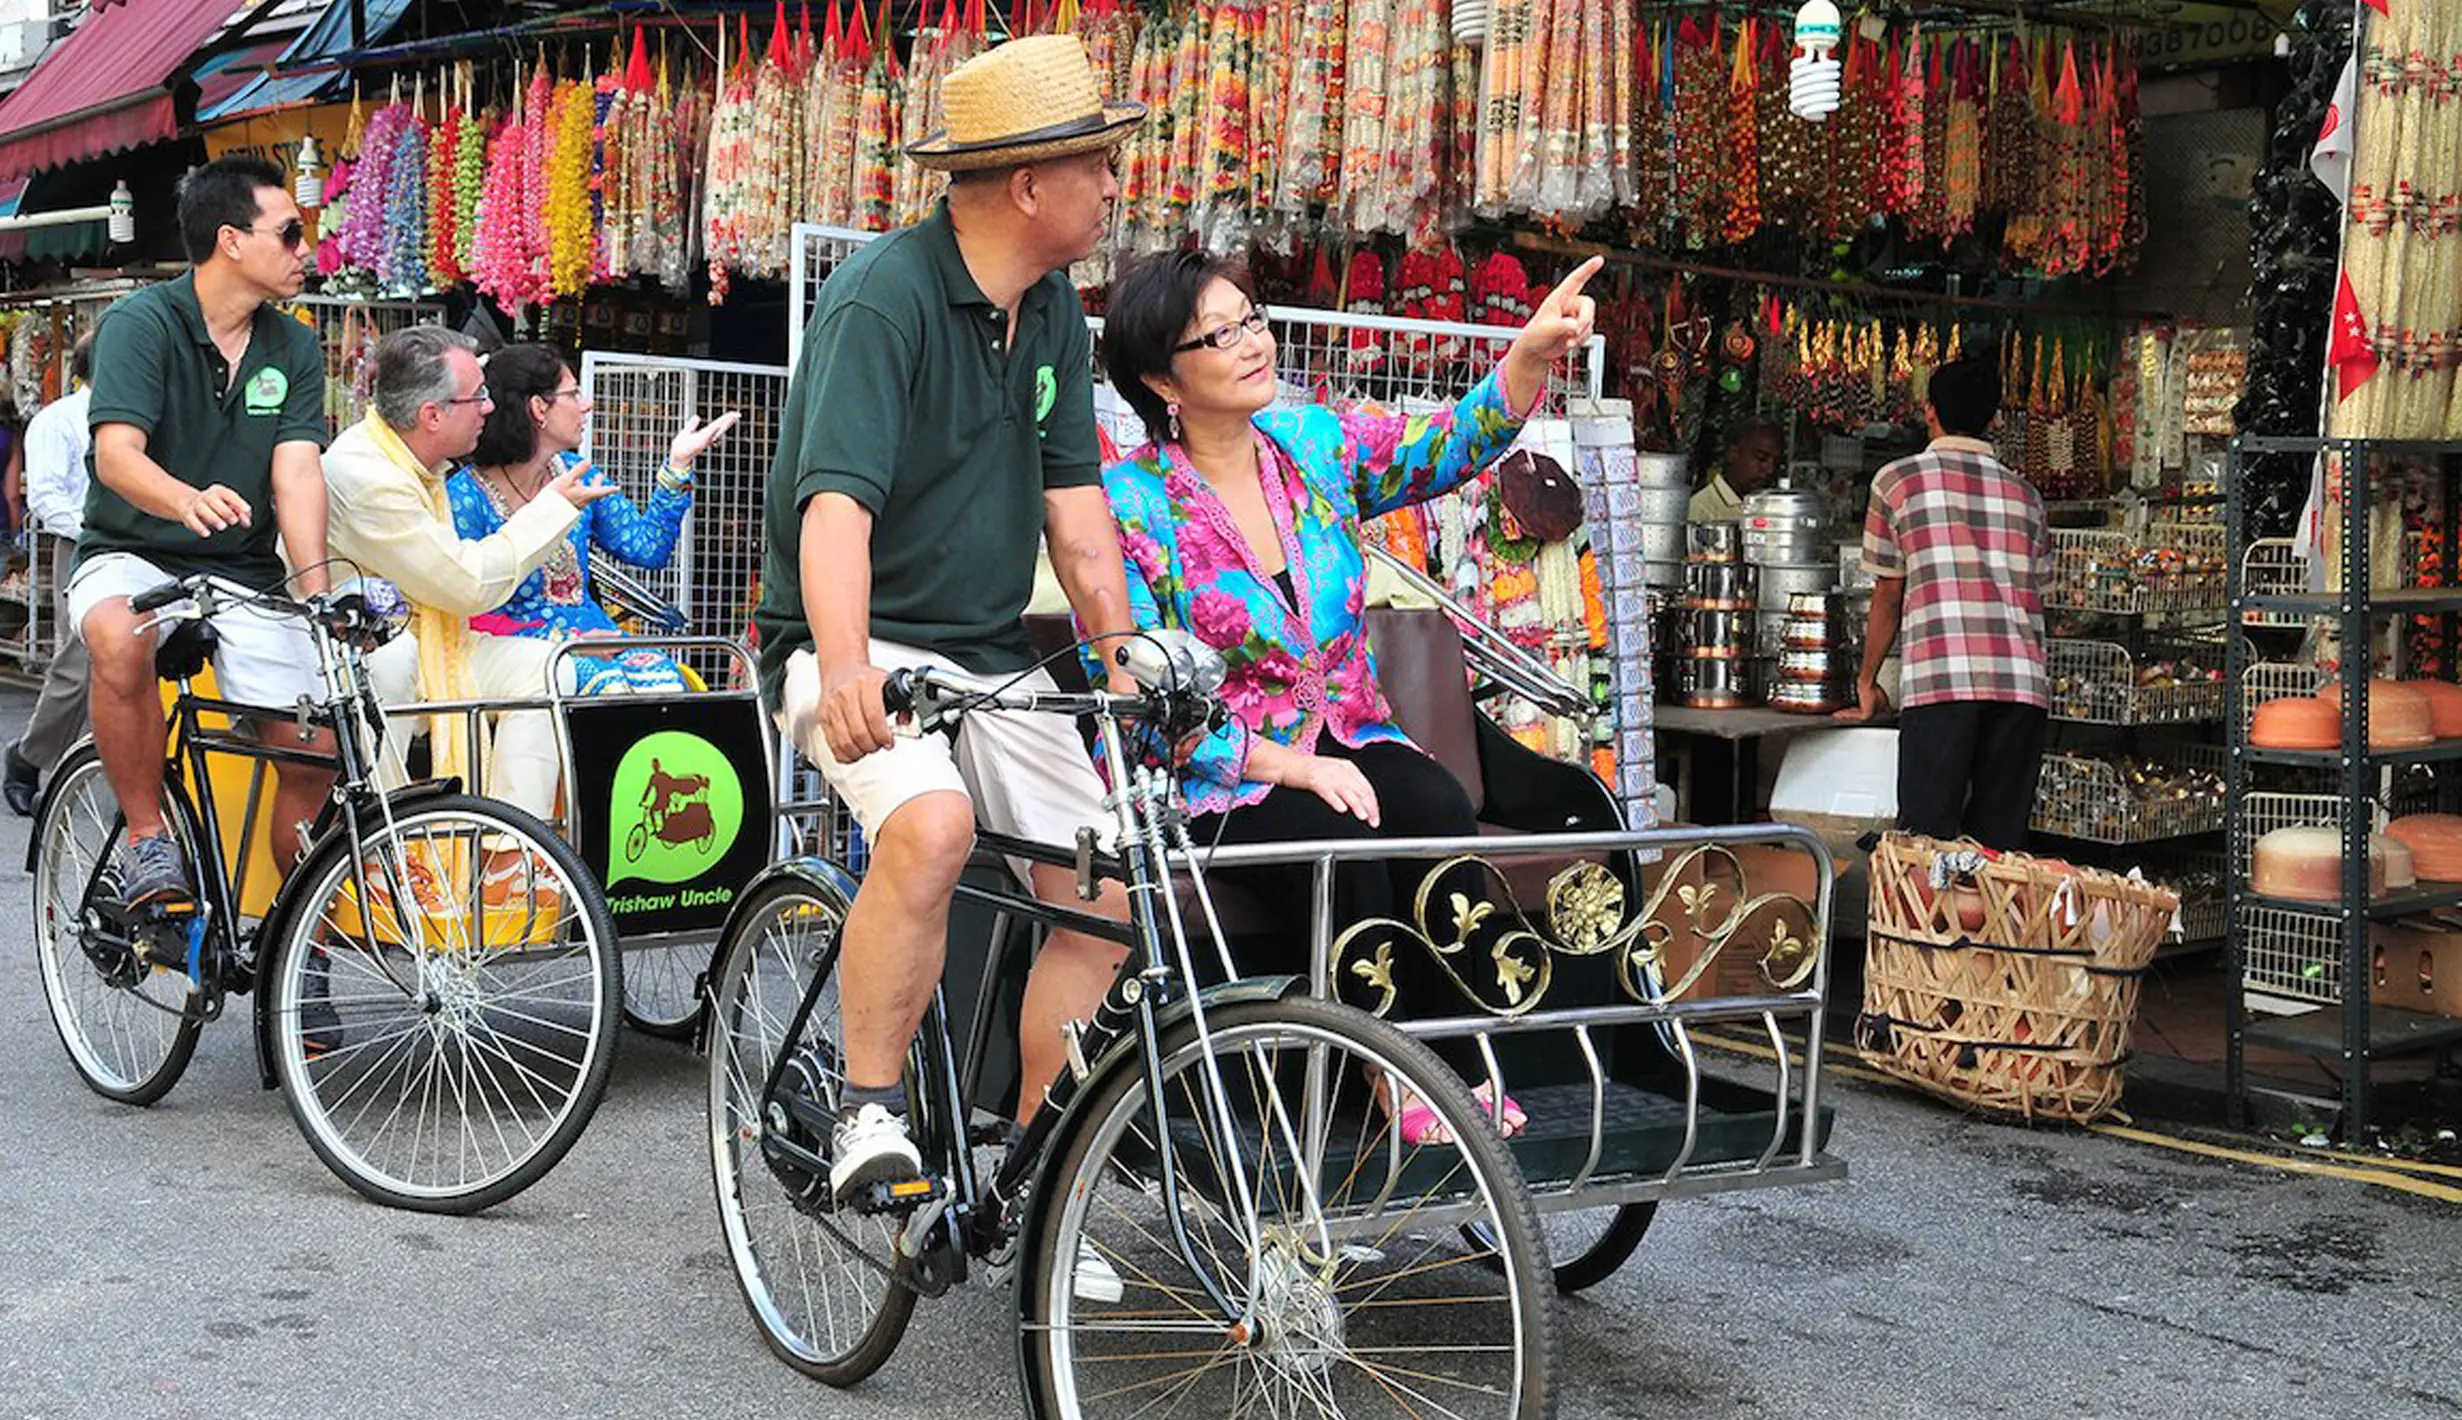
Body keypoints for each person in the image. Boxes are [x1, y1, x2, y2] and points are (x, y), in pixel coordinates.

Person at [752, 34, 1145, 1203]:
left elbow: (1077, 514)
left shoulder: (1056, 312)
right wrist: (840, 667)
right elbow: (834, 510)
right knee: (928, 829)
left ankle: (1039, 1177)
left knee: (1108, 891)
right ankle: (869, 1110)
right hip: (849, 637)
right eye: (1099, 165)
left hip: (983, 652)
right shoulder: (884, 298)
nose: (1115, 186)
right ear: (1029, 184)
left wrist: (1121, 660)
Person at [1095, 247, 1600, 1142]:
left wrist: (1528, 355)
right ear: (1158, 377)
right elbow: (1144, 698)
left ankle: (1468, 1053)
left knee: (1437, 805)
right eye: (1219, 335)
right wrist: (1283, 765)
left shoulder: (1315, 446)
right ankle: (1387, 1067)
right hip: (1218, 769)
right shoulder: (1132, 504)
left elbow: (1442, 448)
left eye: (1251, 319)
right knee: (1338, 836)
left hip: (1350, 731)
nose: (1252, 343)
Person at [69, 155, 335, 913]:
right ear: (230, 241)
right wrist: (185, 500)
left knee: (315, 749)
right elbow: (116, 456)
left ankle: (299, 950)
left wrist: (318, 598)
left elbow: (297, 476)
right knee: (122, 638)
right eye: (288, 233)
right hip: (130, 551)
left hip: (239, 571)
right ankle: (147, 835)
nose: (304, 248)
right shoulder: (140, 323)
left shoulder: (294, 345)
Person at [323, 326, 613, 873]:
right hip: (365, 653)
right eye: (477, 395)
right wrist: (551, 509)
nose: (488, 407)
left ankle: (511, 858)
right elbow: (465, 586)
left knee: (544, 669)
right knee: (393, 662)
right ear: (433, 416)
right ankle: (384, 858)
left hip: (436, 636)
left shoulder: (422, 461)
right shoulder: (368, 475)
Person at [1837, 355, 2048, 851]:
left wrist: (1866, 682)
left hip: (1942, 683)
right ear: (1996, 418)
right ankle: (1989, 930)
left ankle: (1927, 930)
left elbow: (1889, 594)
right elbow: (2040, 592)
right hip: (2021, 687)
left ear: (1929, 411)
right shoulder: (2027, 496)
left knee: (1925, 845)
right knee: (1998, 851)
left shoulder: (1896, 482)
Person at [447, 343, 739, 694]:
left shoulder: (576, 474)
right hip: (519, 652)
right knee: (604, 687)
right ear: (539, 408)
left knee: (666, 683)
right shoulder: (465, 497)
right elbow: (463, 607)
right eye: (574, 394)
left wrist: (678, 465)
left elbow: (647, 549)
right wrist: (565, 640)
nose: (587, 405)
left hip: (598, 640)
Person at [5, 334, 95, 816]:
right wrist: (97, 528)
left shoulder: (155, 412)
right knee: (78, 664)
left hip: (150, 545)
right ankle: (28, 756)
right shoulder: (57, 421)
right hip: (84, 547)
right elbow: (45, 497)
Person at [1688, 416, 1784, 523]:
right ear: (1733, 454)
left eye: (1777, 462)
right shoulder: (1702, 510)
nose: (1770, 470)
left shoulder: (1775, 508)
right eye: (1762, 458)